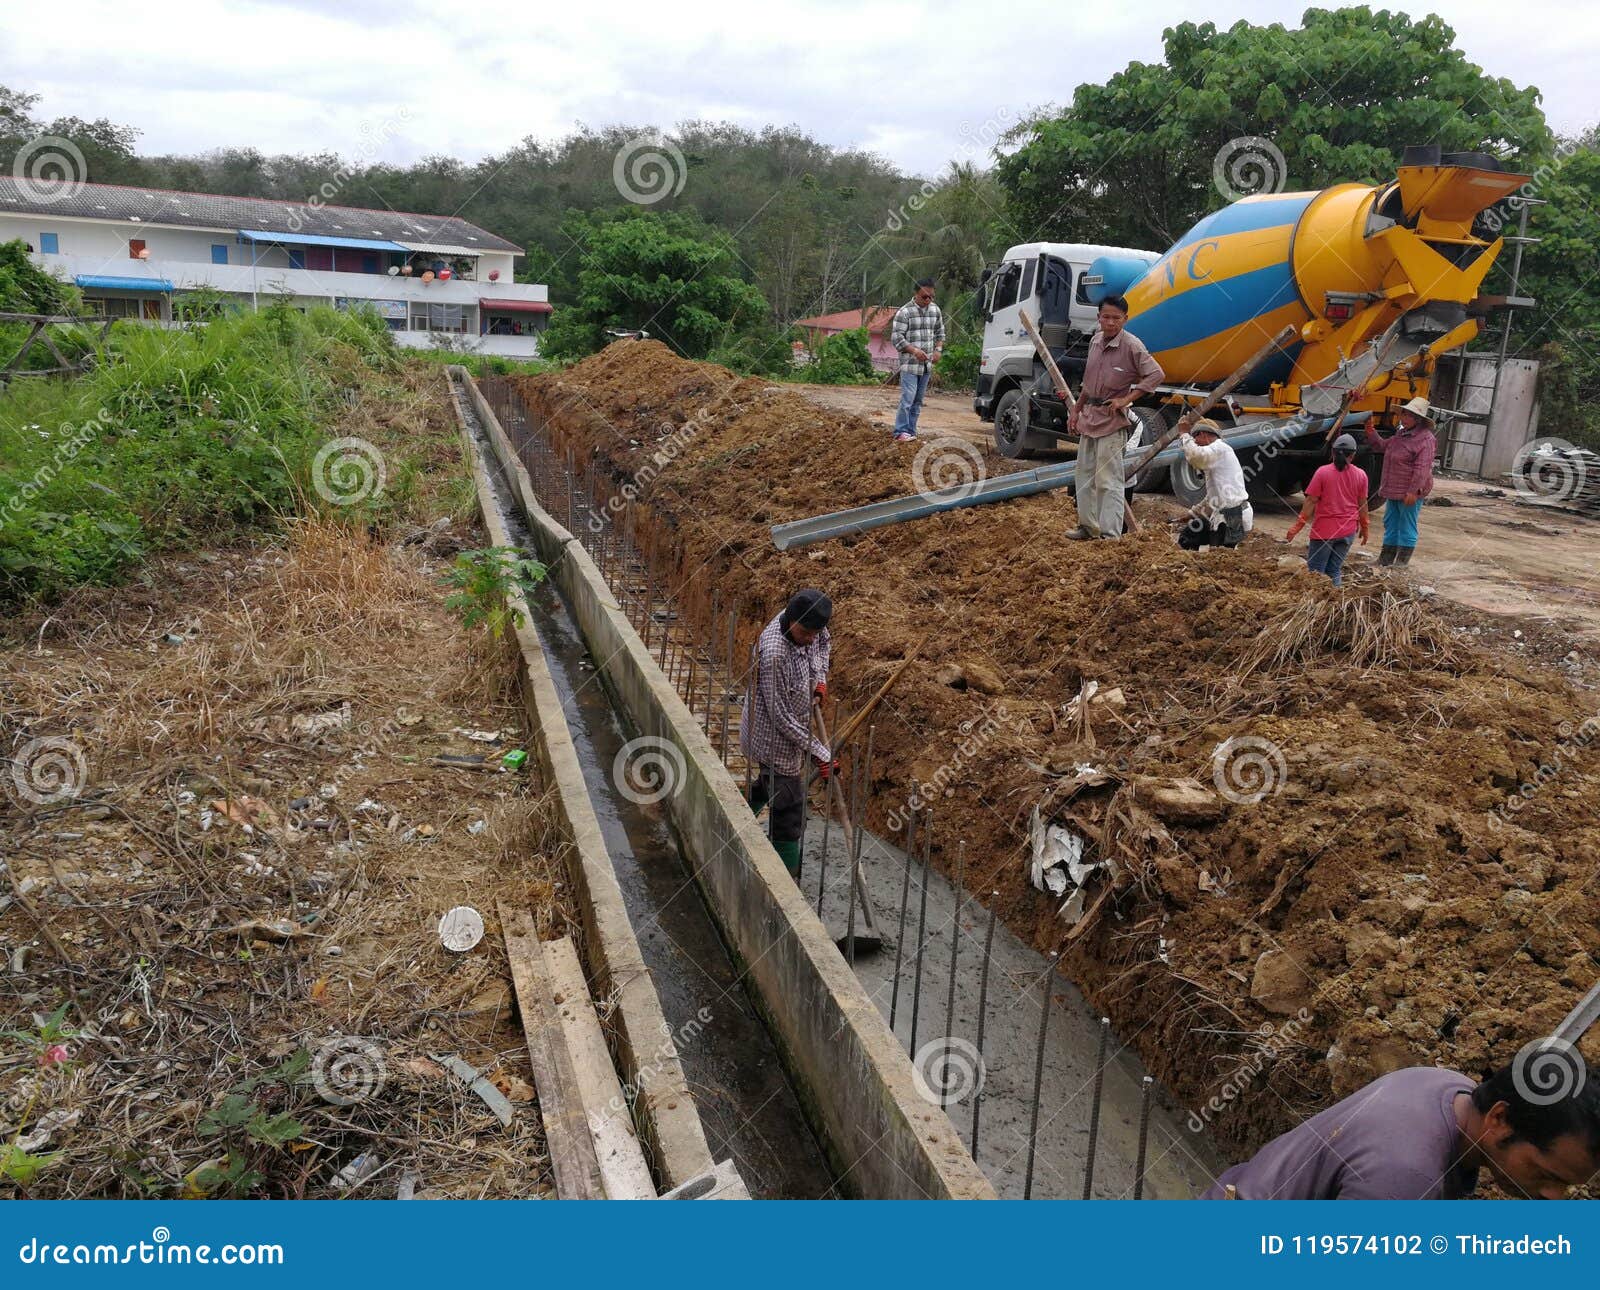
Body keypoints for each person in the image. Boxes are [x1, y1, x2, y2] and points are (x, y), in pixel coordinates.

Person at [1202, 1058, 1600, 1200]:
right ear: (1499, 1119)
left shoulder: (1448, 1086)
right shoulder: (1405, 1176)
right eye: (1548, 1175)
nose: (1553, 1196)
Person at [740, 589, 834, 877]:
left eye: (813, 632)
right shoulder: (774, 654)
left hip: (795, 725)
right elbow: (780, 717)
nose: (810, 638)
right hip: (771, 735)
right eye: (805, 633)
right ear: (791, 620)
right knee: (789, 805)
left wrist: (820, 680)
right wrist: (821, 753)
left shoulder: (812, 625)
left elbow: (823, 645)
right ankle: (786, 879)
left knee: (770, 783)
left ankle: (738, 816)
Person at [1067, 294, 1164, 540]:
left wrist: (1126, 399)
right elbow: (1088, 385)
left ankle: (1109, 535)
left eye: (1116, 318)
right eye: (1106, 317)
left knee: (1108, 480)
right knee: (1084, 475)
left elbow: (1155, 375)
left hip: (1112, 421)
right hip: (1089, 417)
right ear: (1098, 317)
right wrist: (1076, 410)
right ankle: (1087, 527)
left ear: (1125, 319)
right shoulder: (1095, 341)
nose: (1110, 323)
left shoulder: (1132, 345)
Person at [1285, 433, 1370, 586]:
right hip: (1347, 532)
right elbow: (1363, 503)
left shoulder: (1322, 472)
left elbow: (1310, 501)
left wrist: (1297, 527)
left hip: (1323, 532)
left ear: (1332, 452)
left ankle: (1313, 605)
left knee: (1315, 573)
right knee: (1334, 570)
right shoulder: (1361, 475)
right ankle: (1334, 604)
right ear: (1353, 455)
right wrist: (1365, 528)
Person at [1365, 396, 1437, 566]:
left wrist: (1413, 491)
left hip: (1409, 492)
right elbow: (1383, 447)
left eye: (1406, 414)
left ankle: (1401, 563)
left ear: (1417, 419)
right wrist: (1371, 432)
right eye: (1403, 414)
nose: (1402, 417)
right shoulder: (1401, 434)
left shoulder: (1426, 439)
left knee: (1407, 525)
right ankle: (1385, 559)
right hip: (1394, 489)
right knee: (1391, 522)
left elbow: (1422, 469)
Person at [1174, 417, 1251, 549]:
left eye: (1195, 439)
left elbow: (1195, 456)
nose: (1196, 443)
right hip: (1227, 515)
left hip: (1232, 516)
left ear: (1203, 434)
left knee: (1223, 557)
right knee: (1189, 537)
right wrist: (1192, 514)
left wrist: (1184, 434)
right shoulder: (1218, 454)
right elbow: (1212, 497)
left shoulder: (1220, 448)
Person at [889, 278, 945, 442]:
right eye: (924, 296)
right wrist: (914, 350)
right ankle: (900, 432)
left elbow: (940, 333)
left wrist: (938, 350)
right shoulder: (904, 312)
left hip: (926, 366)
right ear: (916, 294)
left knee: (918, 401)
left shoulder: (935, 310)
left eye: (931, 297)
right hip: (910, 365)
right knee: (908, 398)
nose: (928, 300)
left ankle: (911, 432)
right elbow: (897, 338)